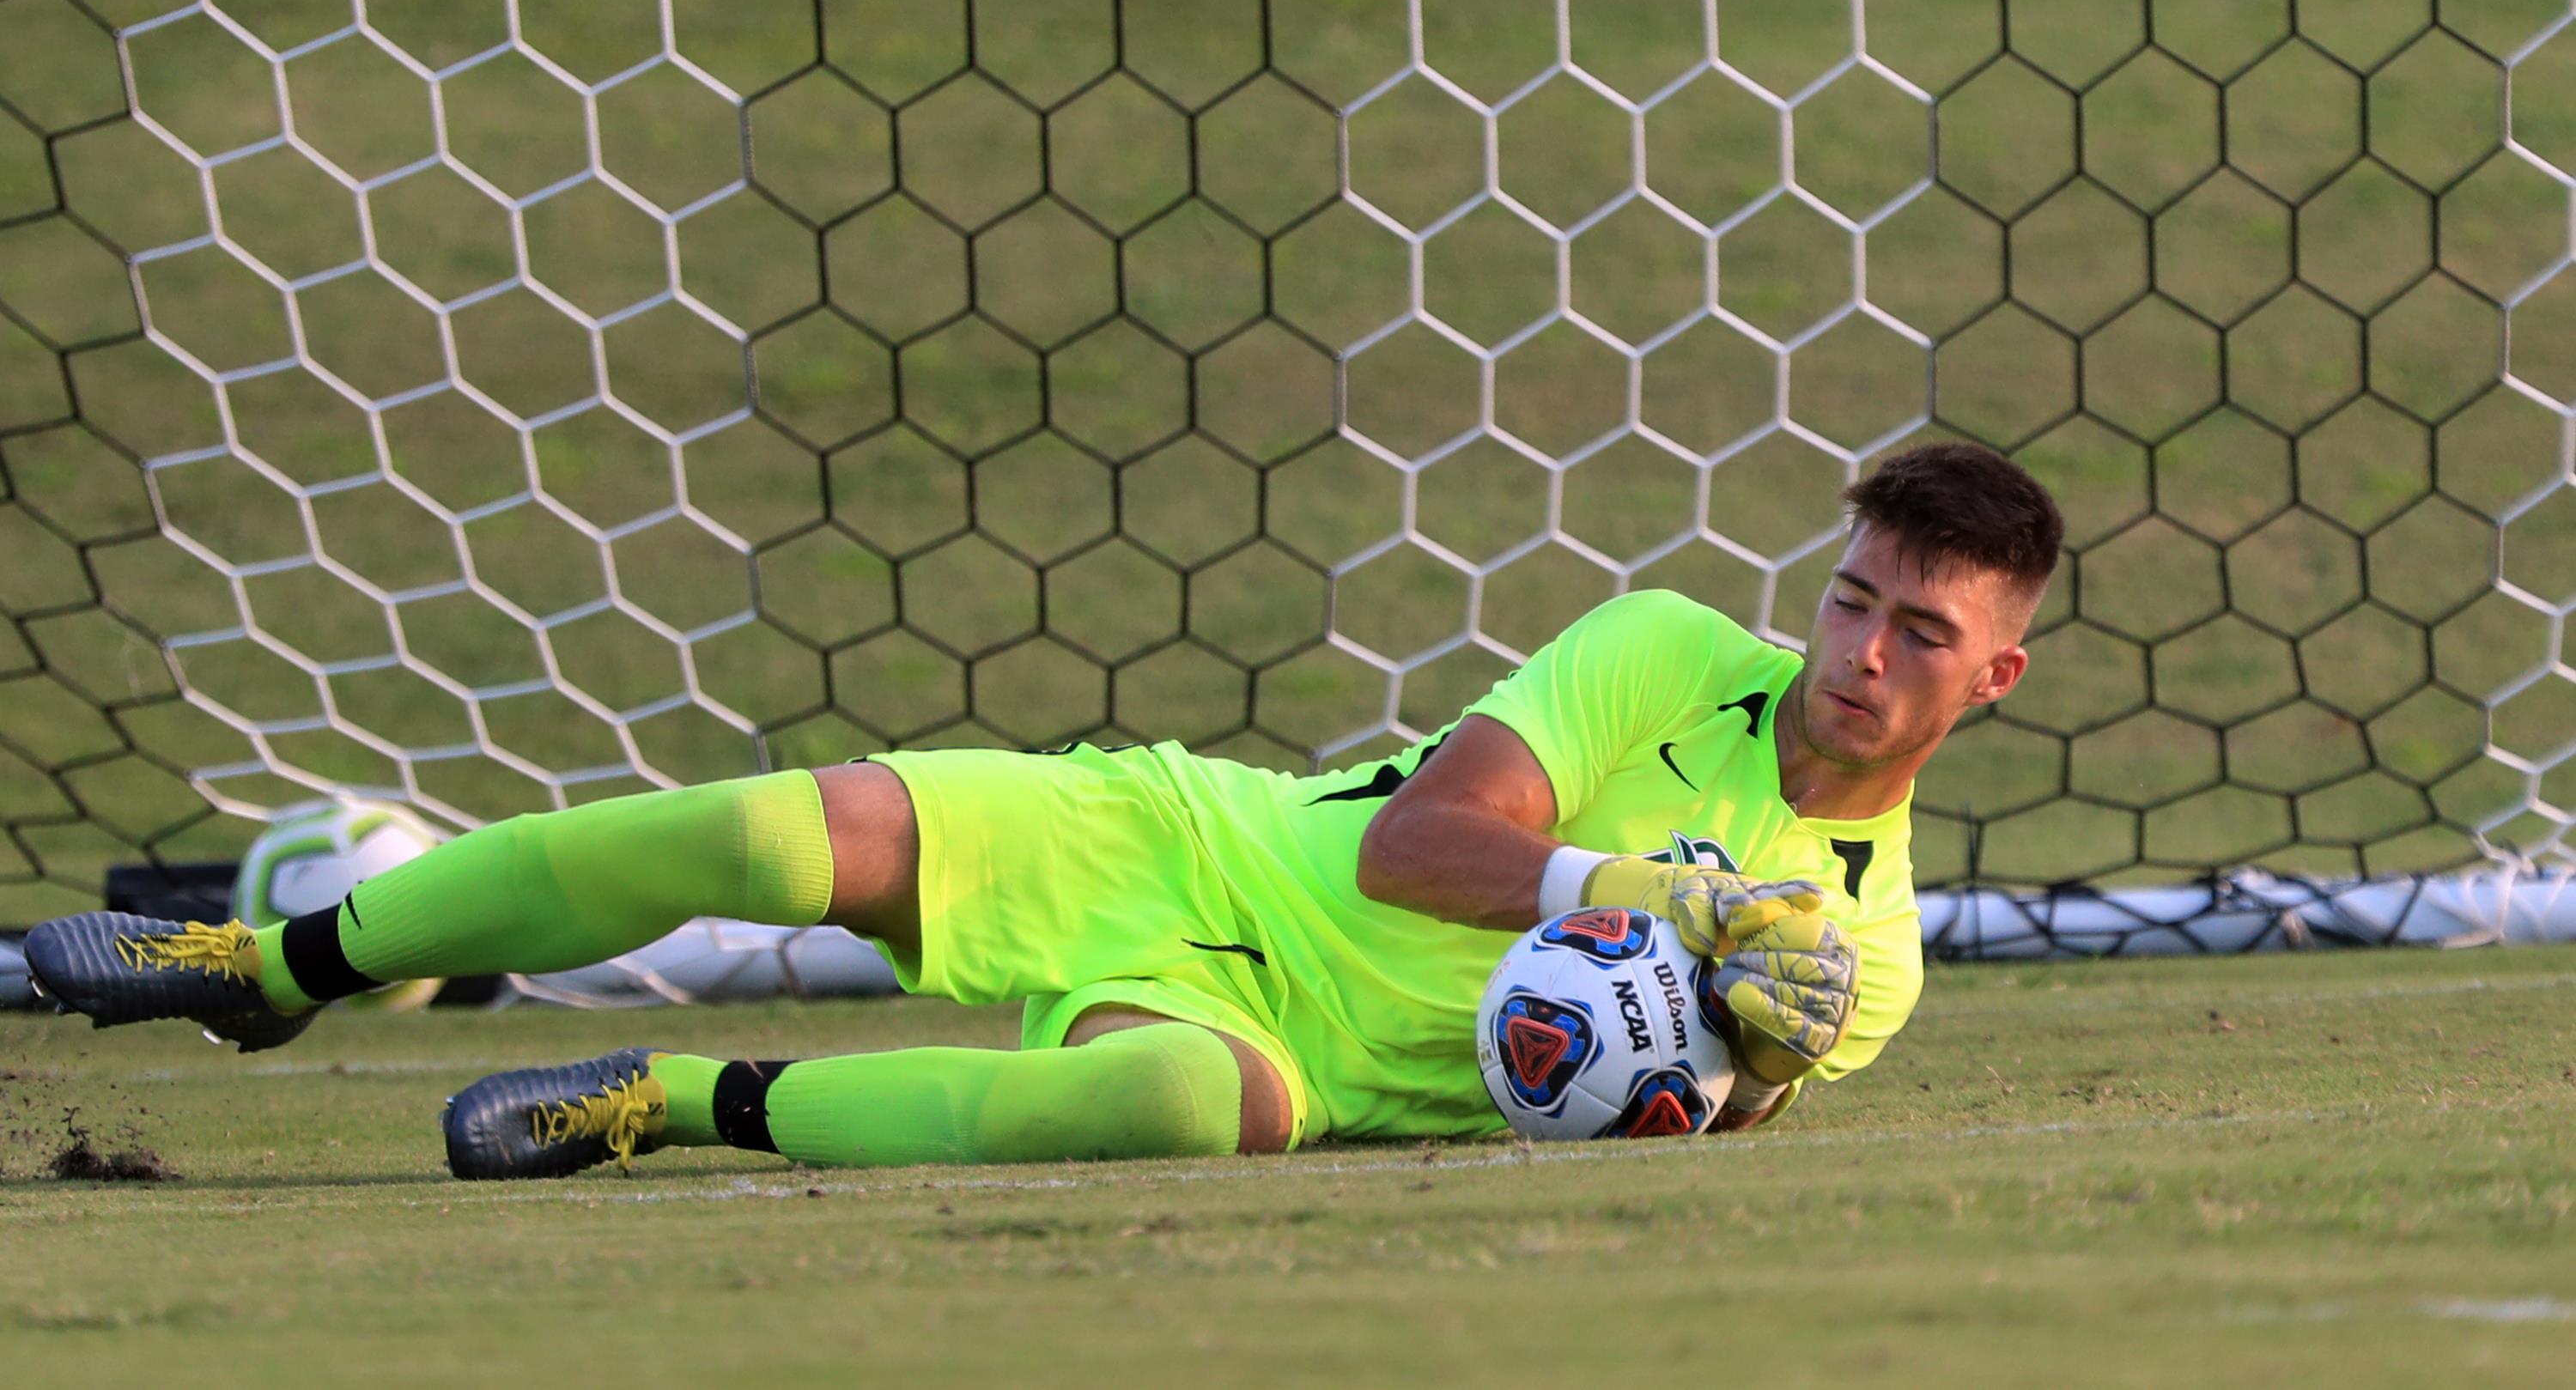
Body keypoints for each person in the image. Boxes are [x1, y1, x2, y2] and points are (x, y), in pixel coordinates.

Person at [25, 441, 2063, 1177]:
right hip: (1204, 840)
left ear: (1995, 677)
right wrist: (1652, 892)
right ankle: (273, 959)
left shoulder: (1865, 956)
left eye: (1918, 633)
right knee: (766, 838)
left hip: (1299, 1056)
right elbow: (1410, 847)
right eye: (1849, 599)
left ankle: (667, 1105)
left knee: (1188, 1115)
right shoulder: (1655, 647)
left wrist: (1755, 1067)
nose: (1860, 654)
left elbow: (1665, 1120)